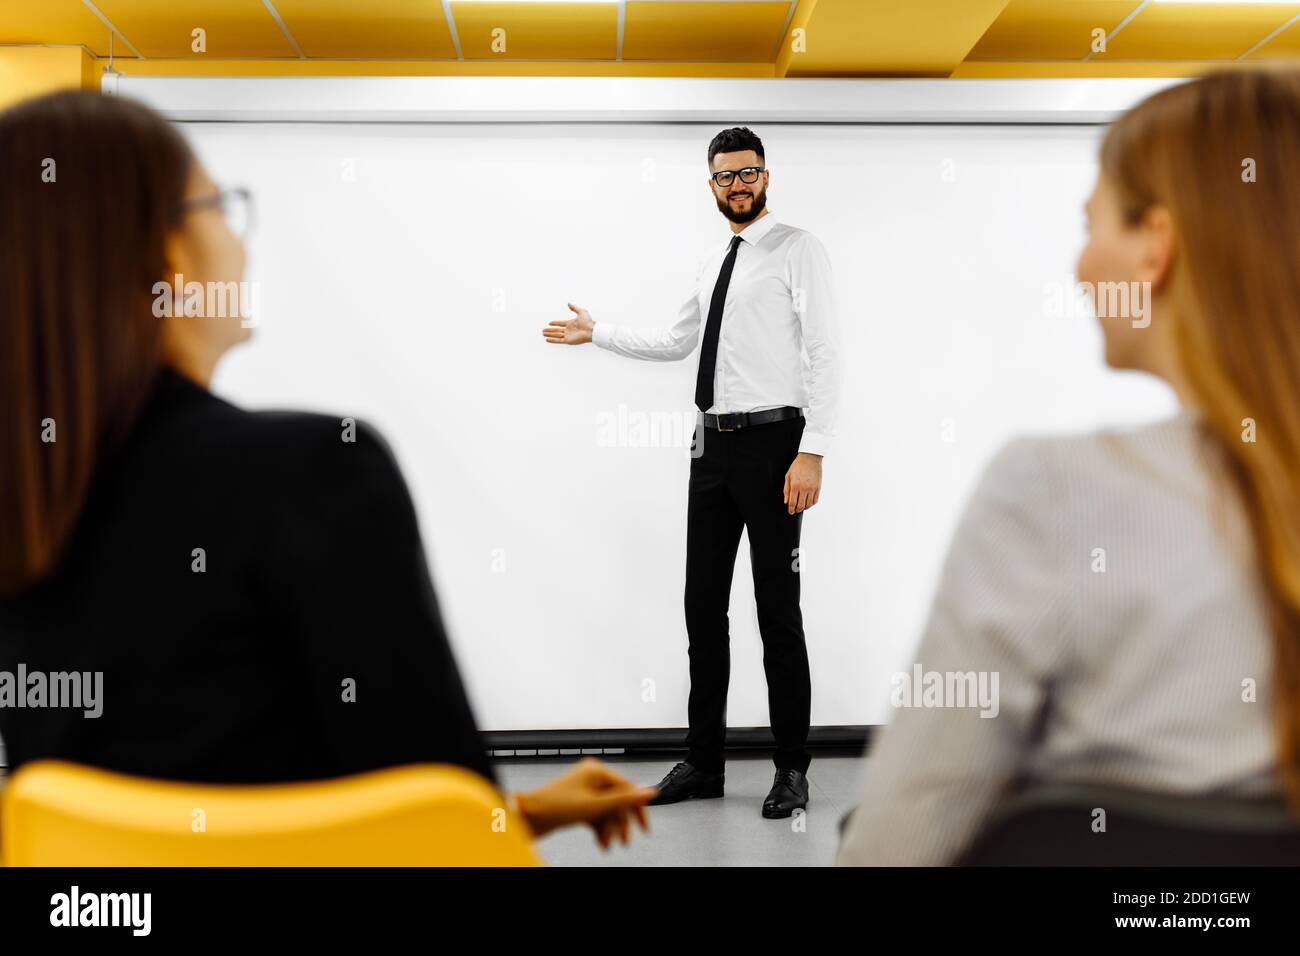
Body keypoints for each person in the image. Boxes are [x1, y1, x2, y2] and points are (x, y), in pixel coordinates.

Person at [0, 90, 654, 853]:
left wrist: (528, 811)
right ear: (169, 259)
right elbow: (442, 847)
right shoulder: (317, 471)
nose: (241, 245)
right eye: (218, 206)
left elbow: (175, 828)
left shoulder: (32, 501)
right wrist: (493, 820)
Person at [836, 67, 1300, 865]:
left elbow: (896, 841)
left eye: (1094, 227)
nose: (1081, 267)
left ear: (1156, 246)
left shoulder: (1054, 492)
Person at [543, 127, 843, 818]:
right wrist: (602, 331)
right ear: (710, 186)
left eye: (748, 173)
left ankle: (791, 769)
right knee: (702, 609)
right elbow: (680, 341)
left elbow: (826, 351)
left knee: (778, 614)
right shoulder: (714, 262)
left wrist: (814, 449)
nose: (737, 185)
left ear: (767, 177)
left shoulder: (800, 250)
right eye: (725, 177)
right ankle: (703, 762)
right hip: (710, 449)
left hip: (776, 446)